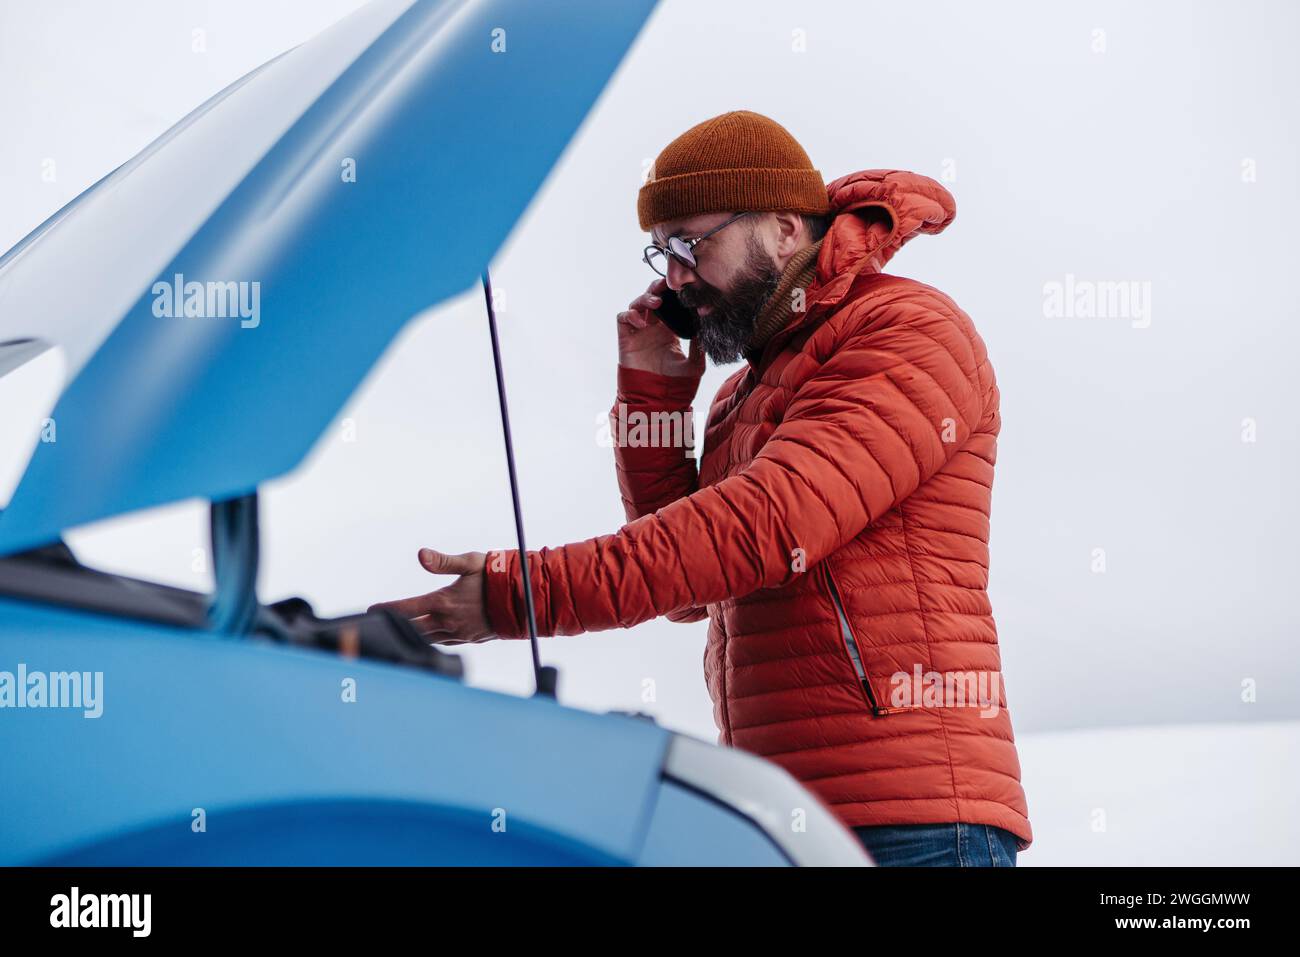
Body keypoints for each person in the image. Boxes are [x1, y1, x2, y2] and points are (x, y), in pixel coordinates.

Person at [370, 110, 1031, 865]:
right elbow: (691, 585)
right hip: (787, 816)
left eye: (690, 245)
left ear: (784, 228)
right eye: (661, 253)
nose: (674, 277)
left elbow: (761, 527)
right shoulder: (741, 394)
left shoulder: (905, 331)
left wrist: (519, 593)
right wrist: (653, 396)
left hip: (912, 818)